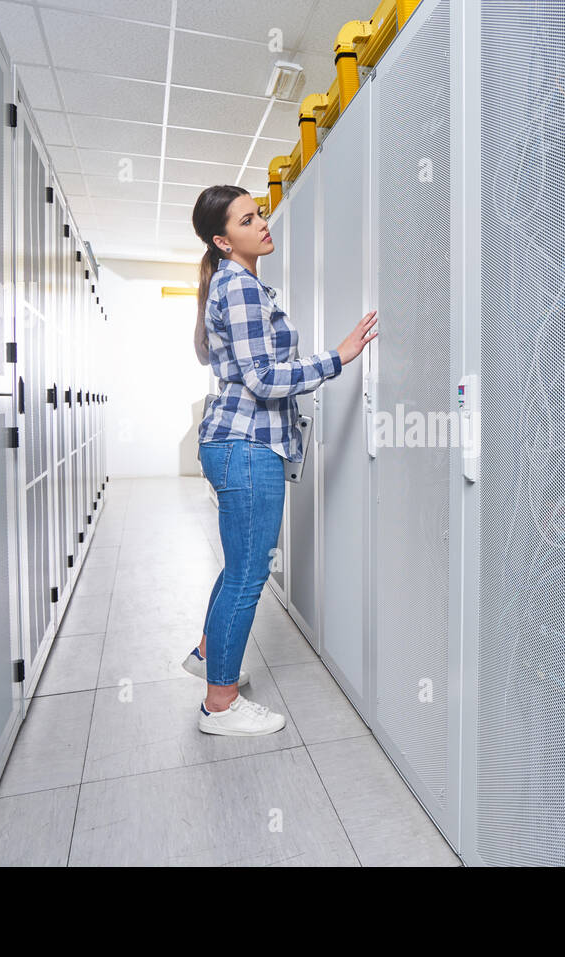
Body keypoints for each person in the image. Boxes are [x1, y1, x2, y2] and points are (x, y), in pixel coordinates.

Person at [186, 184, 377, 735]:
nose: (262, 223)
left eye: (260, 213)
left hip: (239, 443)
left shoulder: (234, 283)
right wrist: (337, 358)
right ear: (224, 241)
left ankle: (208, 653)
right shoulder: (239, 287)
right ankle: (218, 705)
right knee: (249, 574)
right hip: (247, 446)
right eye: (248, 220)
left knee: (239, 565)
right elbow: (263, 378)